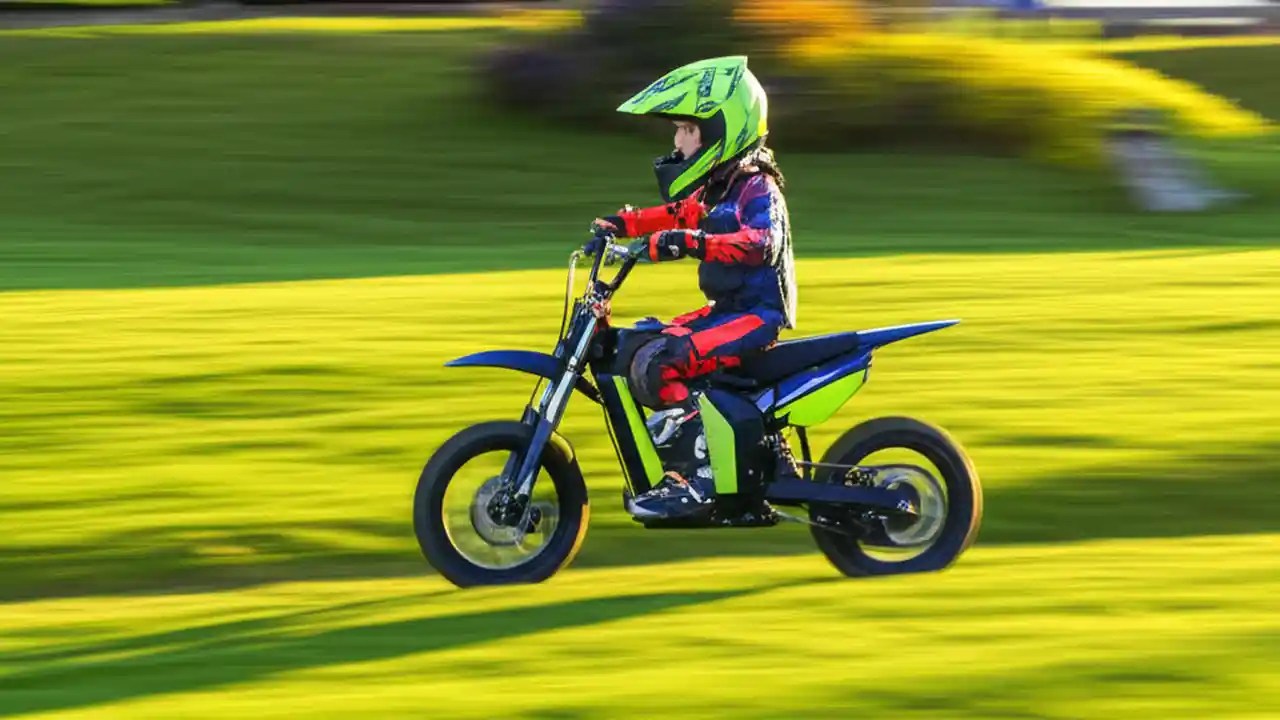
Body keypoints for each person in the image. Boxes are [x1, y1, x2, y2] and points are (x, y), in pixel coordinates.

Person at [591, 55, 796, 520]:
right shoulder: (716, 189)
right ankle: (704, 455)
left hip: (754, 315)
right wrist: (619, 224)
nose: (677, 139)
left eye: (685, 128)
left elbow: (762, 243)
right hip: (724, 310)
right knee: (633, 348)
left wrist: (692, 243)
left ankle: (699, 480)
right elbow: (674, 215)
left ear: (721, 130)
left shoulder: (757, 188)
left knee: (666, 362)